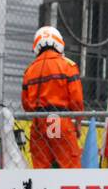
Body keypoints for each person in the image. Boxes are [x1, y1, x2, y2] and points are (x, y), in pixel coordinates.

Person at [21, 25, 83, 169]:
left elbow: (26, 105)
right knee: (69, 167)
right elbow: (77, 100)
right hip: (58, 121)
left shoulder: (29, 70)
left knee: (42, 168)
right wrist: (78, 123)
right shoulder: (67, 66)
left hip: (38, 123)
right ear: (58, 43)